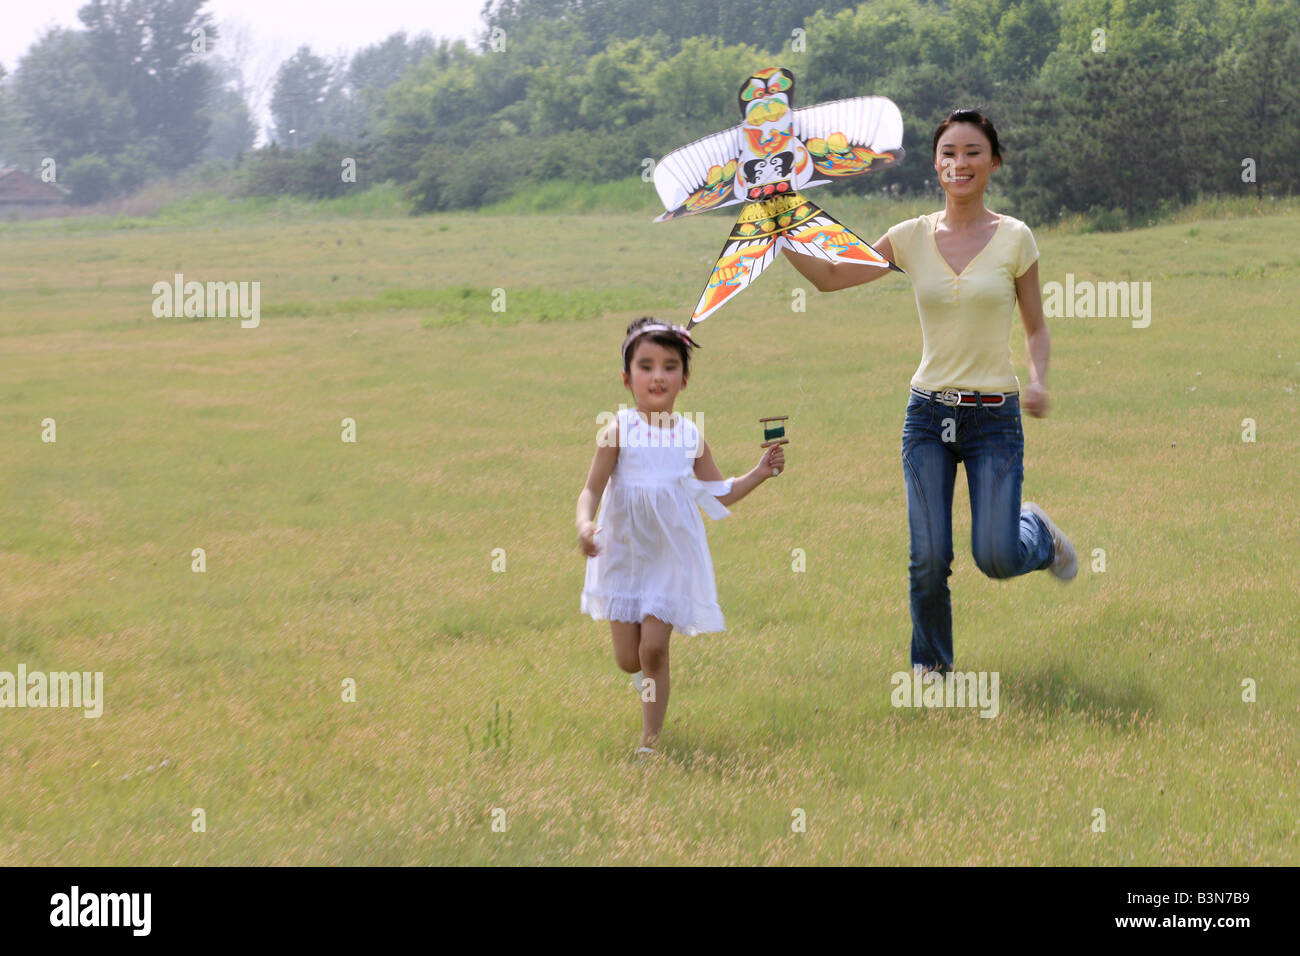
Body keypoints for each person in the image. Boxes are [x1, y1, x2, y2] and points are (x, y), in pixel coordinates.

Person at [782, 108, 1076, 675]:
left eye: (971, 152)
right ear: (935, 164)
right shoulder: (909, 237)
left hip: (995, 417)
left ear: (993, 161)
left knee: (994, 556)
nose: (958, 163)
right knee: (928, 555)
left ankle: (1035, 531)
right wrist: (779, 231)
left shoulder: (1016, 238)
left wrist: (1038, 380)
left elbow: (1036, 326)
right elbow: (831, 276)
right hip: (927, 416)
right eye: (948, 153)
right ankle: (932, 669)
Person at [576, 317, 785, 754]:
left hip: (670, 559)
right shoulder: (617, 431)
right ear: (626, 377)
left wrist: (760, 472)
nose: (658, 376)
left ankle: (649, 744)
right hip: (623, 557)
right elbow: (592, 488)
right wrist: (584, 523)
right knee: (628, 659)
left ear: (684, 380)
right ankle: (644, 684)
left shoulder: (690, 436)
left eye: (670, 366)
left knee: (653, 651)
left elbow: (717, 494)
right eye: (646, 366)